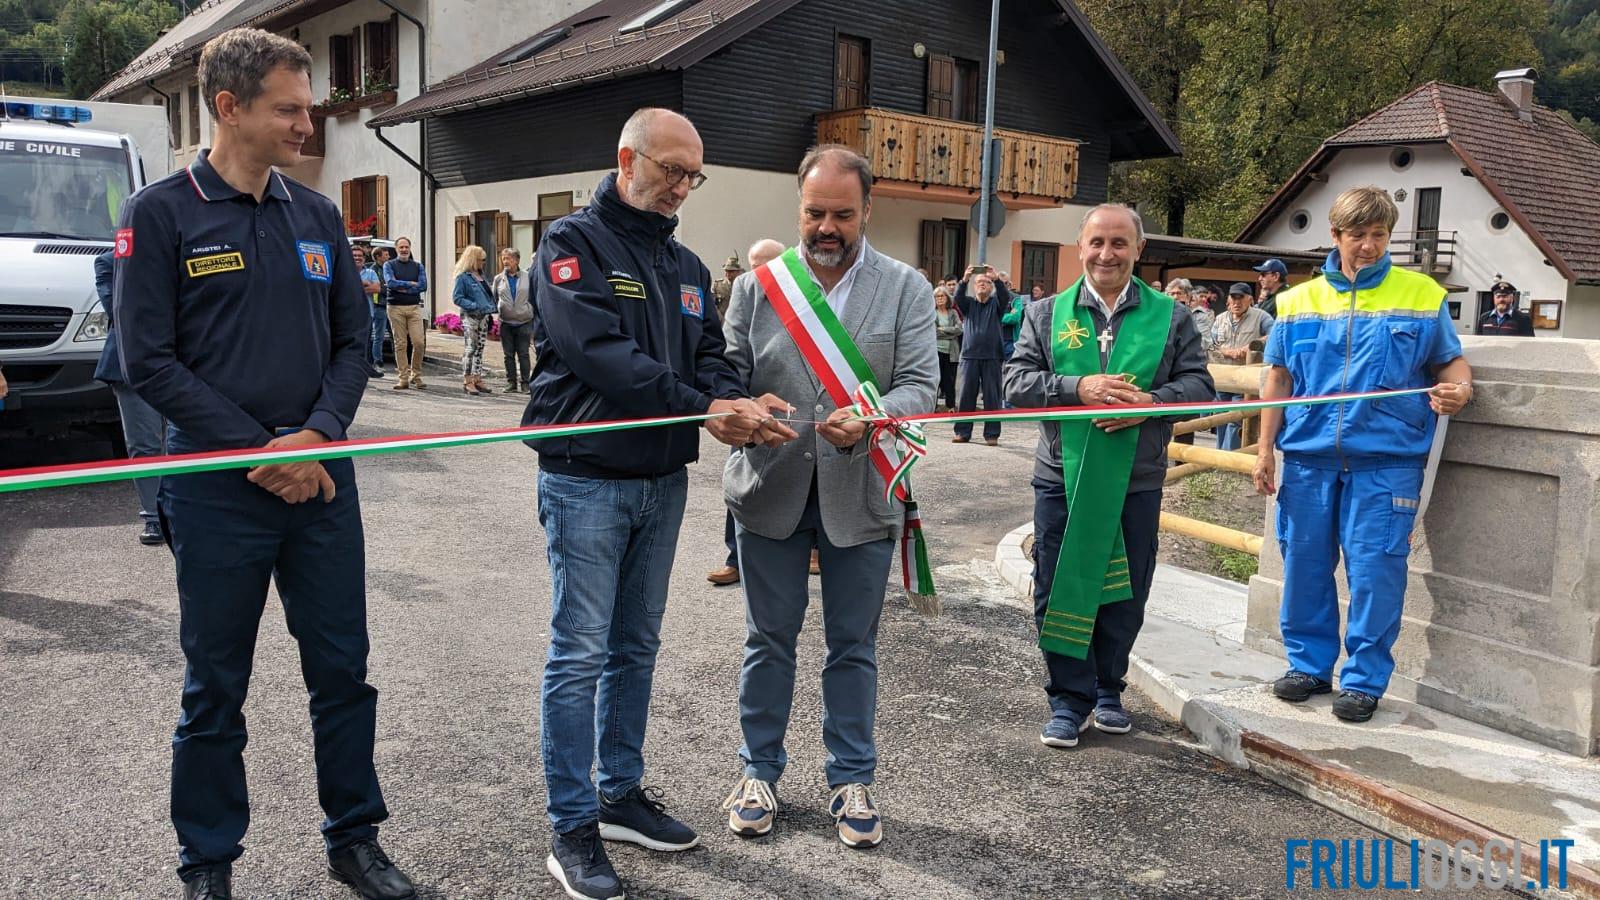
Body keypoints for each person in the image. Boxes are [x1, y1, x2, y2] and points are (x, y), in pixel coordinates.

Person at [111, 28, 414, 900]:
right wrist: (259, 450)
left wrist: (316, 436)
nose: (306, 124)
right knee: (215, 685)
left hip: (320, 482)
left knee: (343, 672)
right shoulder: (159, 214)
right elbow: (148, 361)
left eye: (308, 106)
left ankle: (354, 838)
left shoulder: (316, 215)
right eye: (288, 109)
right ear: (228, 107)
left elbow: (353, 344)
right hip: (217, 489)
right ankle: (207, 862)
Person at [523, 107, 785, 900]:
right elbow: (599, 354)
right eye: (670, 170)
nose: (680, 187)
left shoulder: (688, 266)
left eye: (691, 176)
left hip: (660, 479)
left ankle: (618, 795)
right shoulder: (571, 244)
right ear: (626, 157)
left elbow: (711, 357)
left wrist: (738, 399)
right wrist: (704, 407)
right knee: (579, 653)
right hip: (586, 477)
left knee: (636, 645)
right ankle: (572, 826)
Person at [719, 144, 936, 849]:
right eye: (815, 212)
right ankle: (758, 773)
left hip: (863, 493)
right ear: (799, 209)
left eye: (843, 214)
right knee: (767, 641)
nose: (827, 228)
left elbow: (921, 387)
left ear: (867, 210)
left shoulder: (905, 287)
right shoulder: (759, 287)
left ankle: (852, 778)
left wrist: (872, 418)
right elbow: (725, 376)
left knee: (853, 646)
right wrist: (742, 406)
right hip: (769, 490)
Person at [1255, 186, 1472, 723]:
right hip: (1307, 459)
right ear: (1335, 235)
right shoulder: (1297, 302)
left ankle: (1363, 681)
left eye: (1379, 235)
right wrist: (1264, 450)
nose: (1369, 246)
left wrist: (1461, 390)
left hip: (1387, 462)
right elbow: (1278, 380)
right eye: (1358, 235)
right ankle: (1308, 666)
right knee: (1304, 566)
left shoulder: (1422, 295)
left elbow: (1449, 362)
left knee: (1377, 573)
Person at [1003, 203, 1212, 750]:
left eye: (1119, 243)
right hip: (1062, 477)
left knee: (1126, 589)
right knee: (1060, 583)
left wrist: (1151, 403)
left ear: (1139, 249)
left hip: (1135, 478)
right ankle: (1068, 700)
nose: (1106, 254)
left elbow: (1200, 387)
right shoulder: (1045, 314)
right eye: (1096, 242)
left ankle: (1108, 688)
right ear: (1080, 247)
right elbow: (1016, 384)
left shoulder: (1172, 316)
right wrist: (1078, 388)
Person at [709, 237, 788, 587]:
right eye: (754, 267)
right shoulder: (742, 293)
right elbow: (731, 356)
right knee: (741, 486)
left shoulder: (804, 300)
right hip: (749, 406)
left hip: (795, 410)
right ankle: (735, 558)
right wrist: (736, 400)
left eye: (766, 266)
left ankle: (814, 550)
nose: (758, 274)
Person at [91, 249, 168, 545]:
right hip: (132, 367)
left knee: (189, 443)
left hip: (188, 363)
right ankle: (154, 517)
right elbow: (122, 310)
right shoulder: (109, 262)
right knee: (145, 445)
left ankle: (187, 512)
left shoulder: (180, 253)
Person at [1210, 282, 1274, 451]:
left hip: (1246, 379)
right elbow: (1212, 344)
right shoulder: (1220, 319)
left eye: (1241, 298)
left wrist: (1252, 345)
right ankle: (1219, 456)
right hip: (1223, 377)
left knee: (1236, 419)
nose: (1237, 302)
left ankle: (1228, 458)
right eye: (1234, 298)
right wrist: (1227, 351)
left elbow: (1274, 334)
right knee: (1220, 418)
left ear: (1250, 299)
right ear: (1228, 300)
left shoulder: (1261, 317)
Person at [952, 266, 1011, 445]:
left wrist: (996, 279)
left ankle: (992, 434)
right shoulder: (969, 304)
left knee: (992, 397)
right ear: (974, 286)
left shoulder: (996, 305)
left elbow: (1004, 296)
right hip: (969, 357)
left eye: (986, 282)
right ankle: (962, 432)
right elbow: (957, 298)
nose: (982, 285)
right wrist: (965, 279)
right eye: (979, 282)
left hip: (992, 356)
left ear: (991, 287)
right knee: (965, 397)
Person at [383, 236, 428, 390]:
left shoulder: (418, 266)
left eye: (406, 247)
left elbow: (423, 286)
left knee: (419, 343)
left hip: (414, 307)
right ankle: (403, 378)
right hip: (395, 308)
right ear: (396, 249)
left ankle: (416, 375)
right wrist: (410, 284)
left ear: (410, 248)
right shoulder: (389, 265)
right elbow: (390, 283)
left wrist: (403, 288)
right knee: (400, 343)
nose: (404, 250)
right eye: (401, 247)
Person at [451, 245, 496, 395]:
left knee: (480, 348)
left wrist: (489, 307)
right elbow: (457, 298)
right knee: (470, 348)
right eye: (481, 260)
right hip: (470, 317)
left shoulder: (481, 275)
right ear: (473, 259)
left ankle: (477, 378)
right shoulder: (463, 277)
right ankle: (467, 380)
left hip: (484, 316)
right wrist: (474, 305)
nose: (483, 262)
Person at [494, 247, 534, 392]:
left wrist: (530, 309)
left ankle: (525, 383)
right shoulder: (498, 279)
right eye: (503, 258)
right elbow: (495, 298)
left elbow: (534, 297)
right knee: (508, 355)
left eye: (508, 258)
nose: (505, 261)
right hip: (506, 322)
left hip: (524, 321)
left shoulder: (528, 277)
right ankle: (511, 383)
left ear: (517, 260)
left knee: (523, 354)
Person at [354, 244, 385, 378]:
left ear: (364, 258)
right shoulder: (343, 271)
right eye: (354, 256)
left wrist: (354, 287)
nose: (357, 258)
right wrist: (365, 284)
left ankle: (365, 369)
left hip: (367, 313)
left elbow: (377, 289)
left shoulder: (371, 273)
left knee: (365, 343)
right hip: (348, 314)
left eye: (360, 256)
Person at [934, 285, 962, 411]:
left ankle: (950, 406)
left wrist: (943, 329)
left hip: (952, 352)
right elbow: (933, 332)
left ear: (947, 298)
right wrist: (951, 333)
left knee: (950, 380)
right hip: (936, 351)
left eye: (942, 296)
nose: (939, 298)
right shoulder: (932, 313)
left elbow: (959, 329)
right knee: (935, 381)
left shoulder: (953, 312)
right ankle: (933, 406)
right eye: (937, 296)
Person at [367, 244, 391, 373]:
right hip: (379, 306)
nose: (389, 257)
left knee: (397, 336)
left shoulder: (388, 268)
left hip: (391, 305)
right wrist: (389, 287)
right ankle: (377, 361)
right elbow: (380, 288)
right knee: (379, 336)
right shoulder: (373, 270)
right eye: (386, 255)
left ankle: (401, 363)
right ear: (378, 257)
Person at [711, 252, 742, 319]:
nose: (728, 273)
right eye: (726, 271)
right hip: (721, 319)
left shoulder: (743, 286)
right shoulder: (718, 285)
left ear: (738, 271)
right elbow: (712, 304)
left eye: (731, 271)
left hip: (738, 319)